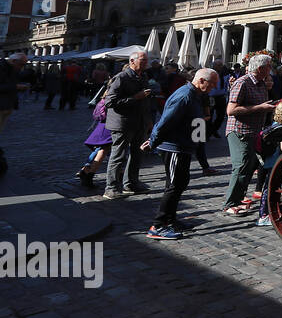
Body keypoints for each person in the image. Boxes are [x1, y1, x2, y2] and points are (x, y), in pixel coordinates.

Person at [141, 67, 219, 240]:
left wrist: (198, 148)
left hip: (184, 146)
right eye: (212, 84)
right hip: (173, 147)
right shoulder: (184, 96)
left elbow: (196, 122)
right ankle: (158, 226)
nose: (214, 87)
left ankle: (170, 219)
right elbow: (165, 122)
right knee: (174, 185)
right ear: (201, 81)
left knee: (181, 183)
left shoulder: (196, 95)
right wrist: (153, 142)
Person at [221, 53, 277, 215]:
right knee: (240, 166)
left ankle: (239, 199)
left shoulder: (261, 83)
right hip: (239, 131)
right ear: (260, 68)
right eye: (269, 66)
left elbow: (260, 104)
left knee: (249, 166)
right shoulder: (242, 82)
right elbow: (231, 110)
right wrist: (260, 108)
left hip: (254, 131)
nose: (271, 69)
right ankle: (230, 203)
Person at [102, 51, 155, 199]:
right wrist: (134, 98)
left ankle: (131, 184)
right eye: (143, 60)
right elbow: (110, 102)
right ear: (132, 61)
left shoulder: (143, 77)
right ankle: (110, 187)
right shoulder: (121, 78)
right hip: (122, 123)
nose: (146, 63)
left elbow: (145, 101)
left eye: (146, 61)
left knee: (137, 154)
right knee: (118, 156)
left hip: (139, 122)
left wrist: (148, 120)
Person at [75, 91, 113, 188]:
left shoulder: (106, 94)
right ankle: (88, 175)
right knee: (104, 150)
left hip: (103, 126)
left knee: (101, 149)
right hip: (109, 126)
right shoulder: (114, 94)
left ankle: (85, 170)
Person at [0, 53, 27, 173]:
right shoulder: (2, 68)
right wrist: (16, 86)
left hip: (7, 106)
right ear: (13, 61)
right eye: (21, 64)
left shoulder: (11, 70)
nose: (22, 67)